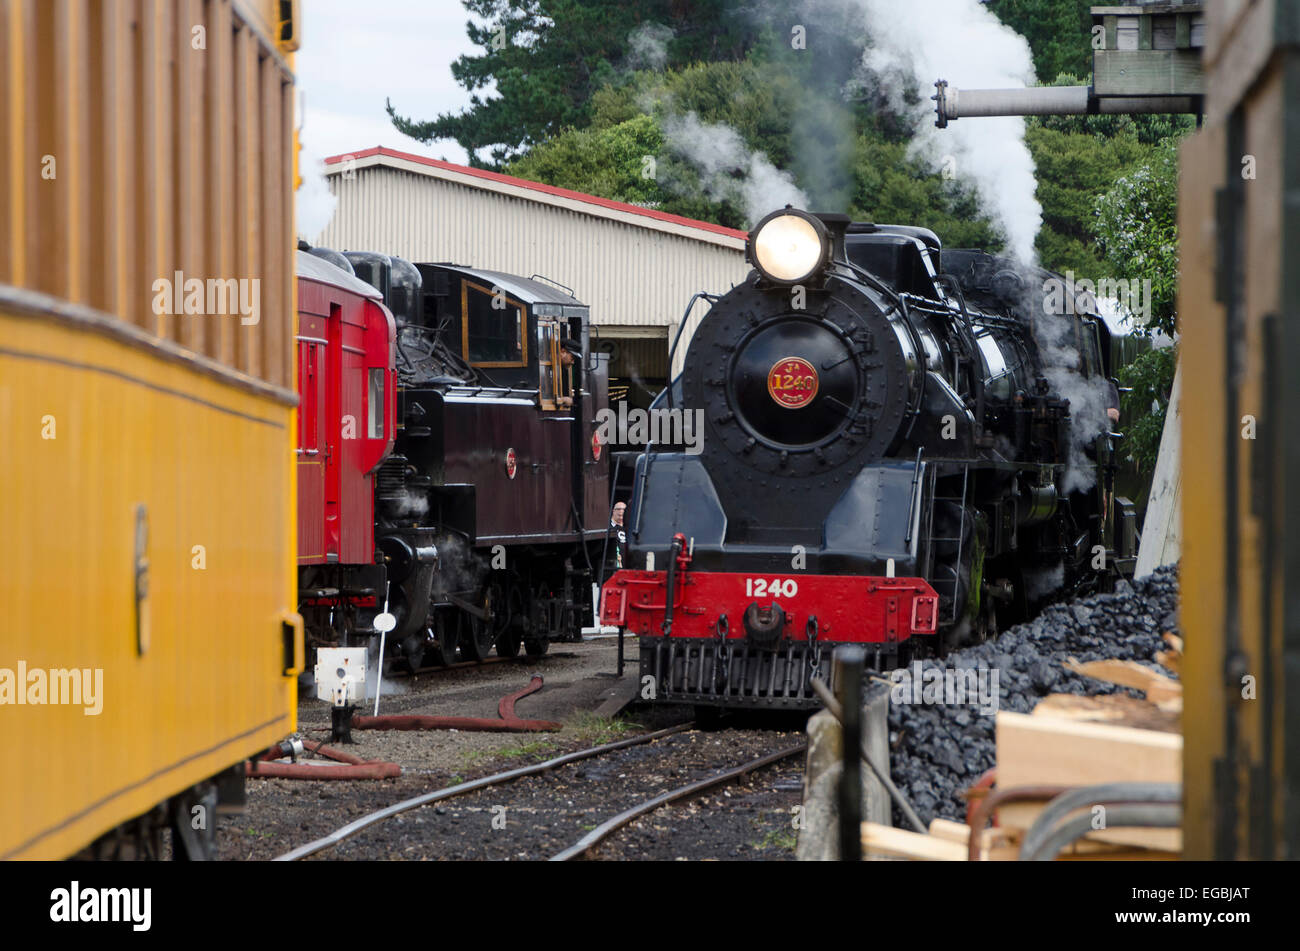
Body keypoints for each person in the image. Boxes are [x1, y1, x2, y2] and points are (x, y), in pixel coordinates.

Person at [610, 501, 628, 571]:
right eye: (618, 509)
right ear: (613, 511)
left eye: (623, 509)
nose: (621, 511)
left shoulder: (629, 527)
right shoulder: (608, 527)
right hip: (613, 566)